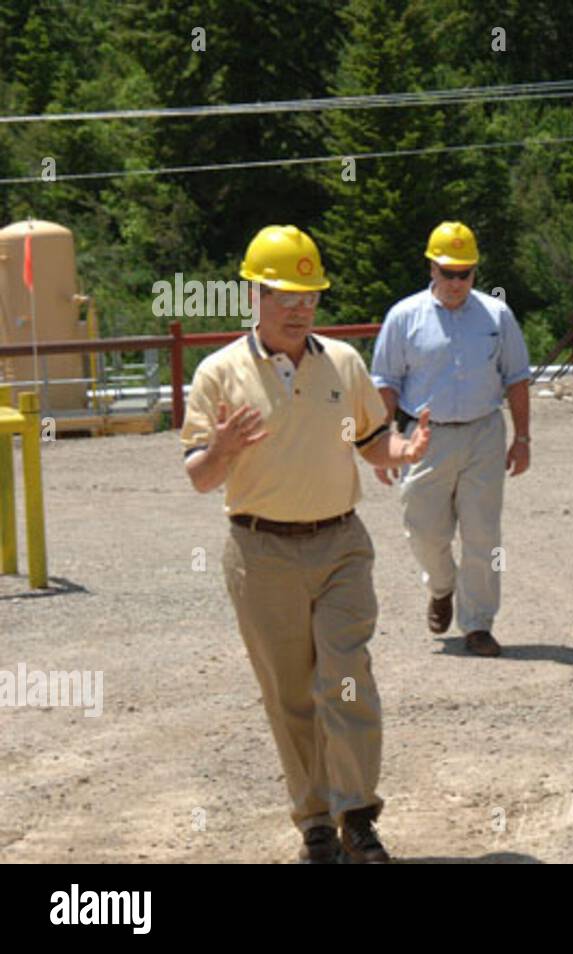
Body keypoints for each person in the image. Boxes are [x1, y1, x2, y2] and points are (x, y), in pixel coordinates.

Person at [180, 225, 431, 863]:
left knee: (346, 676)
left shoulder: (342, 364)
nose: (299, 307)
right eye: (285, 294)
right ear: (254, 294)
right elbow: (200, 477)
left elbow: (370, 442)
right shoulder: (218, 374)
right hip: (260, 552)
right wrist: (225, 447)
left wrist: (402, 450)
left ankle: (357, 815)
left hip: (340, 543)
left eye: (309, 294)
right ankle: (315, 820)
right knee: (290, 691)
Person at [371, 221, 531, 658]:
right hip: (425, 436)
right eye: (449, 272)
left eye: (466, 272)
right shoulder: (404, 317)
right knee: (423, 529)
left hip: (483, 431)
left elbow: (516, 377)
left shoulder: (497, 316)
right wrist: (385, 441)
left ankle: (478, 623)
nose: (457, 282)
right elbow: (385, 381)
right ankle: (441, 587)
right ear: (432, 269)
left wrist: (523, 438)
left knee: (482, 533)